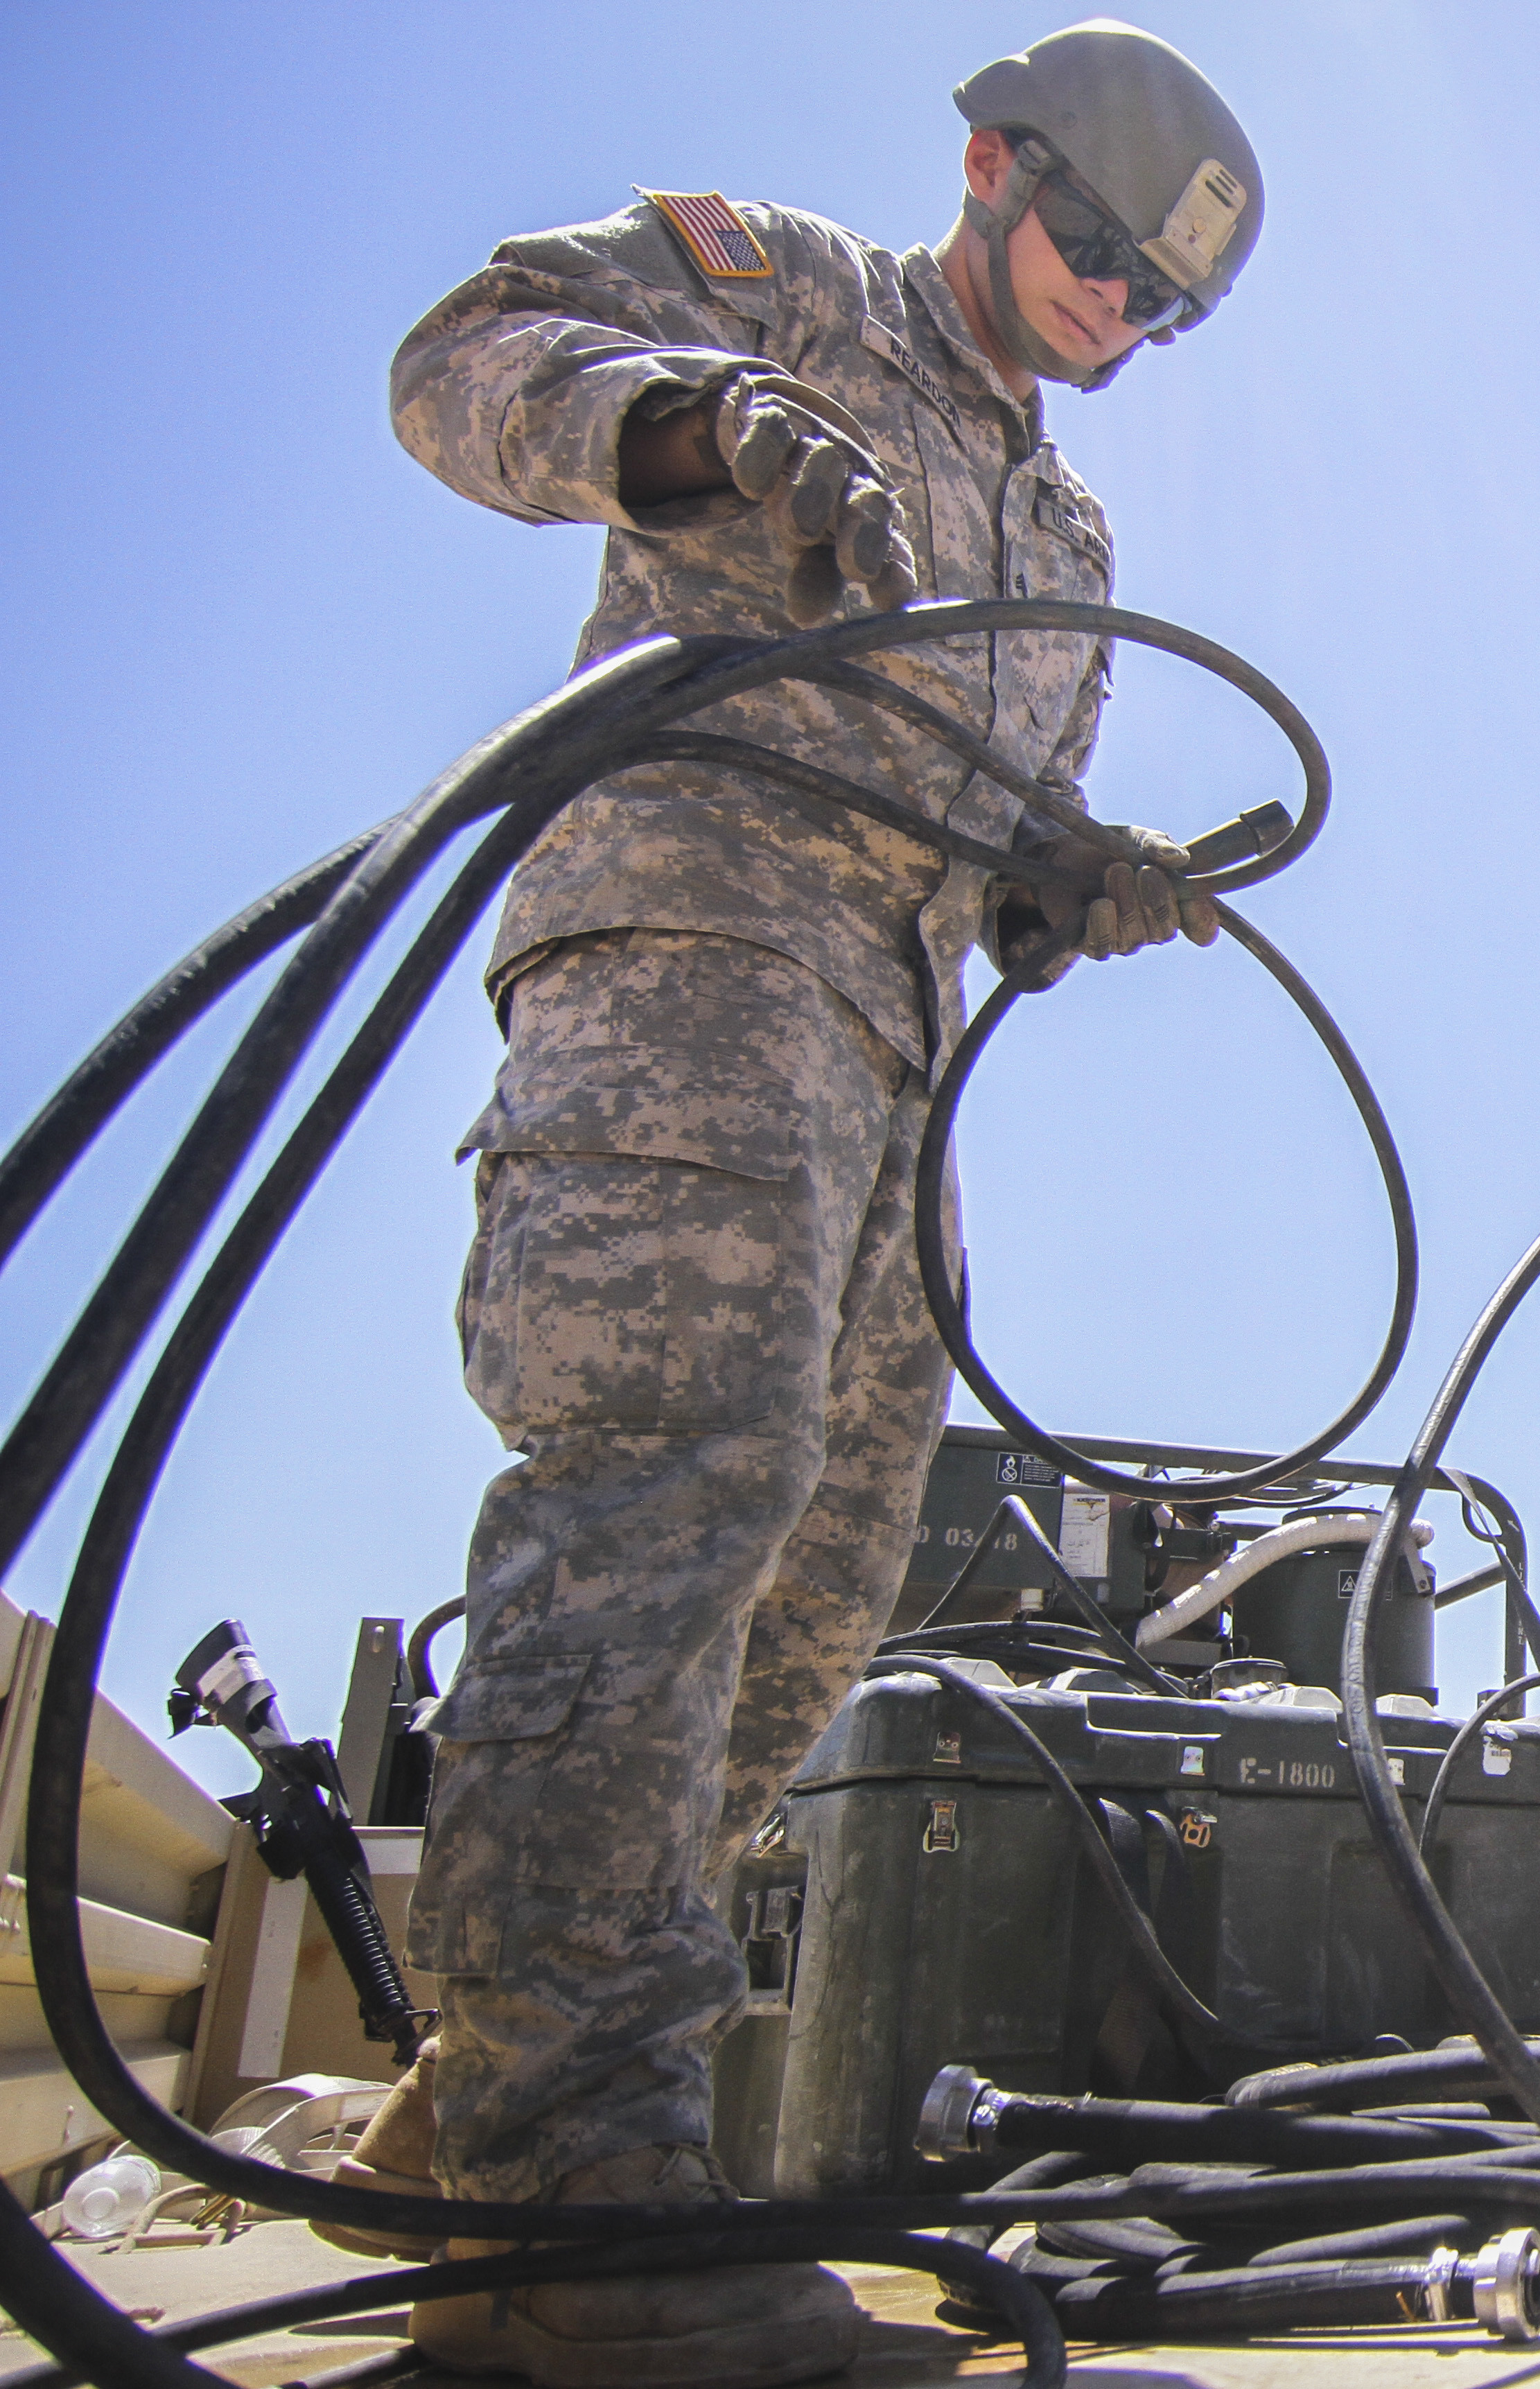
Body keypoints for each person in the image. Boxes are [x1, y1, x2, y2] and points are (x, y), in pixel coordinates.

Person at [336, 26, 1267, 2386]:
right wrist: (693, 419)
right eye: (1092, 257)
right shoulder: (785, 298)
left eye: (1159, 308)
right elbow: (459, 359)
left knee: (815, 1588)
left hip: (889, 1048)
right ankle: (582, 2209)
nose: (1112, 319)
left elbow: (992, 806)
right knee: (658, 1512)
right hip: (695, 944)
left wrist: (1074, 875)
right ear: (989, 170)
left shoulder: (1067, 535)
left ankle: (487, 2123)